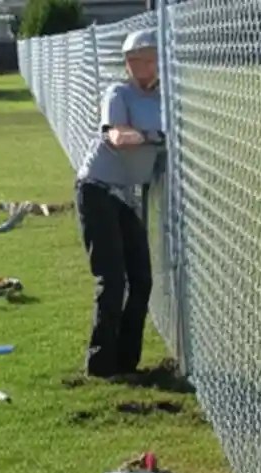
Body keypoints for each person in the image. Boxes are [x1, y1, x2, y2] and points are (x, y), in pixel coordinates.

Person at [73, 29, 166, 378]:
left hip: (129, 195)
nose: (143, 64)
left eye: (150, 57)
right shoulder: (118, 92)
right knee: (112, 280)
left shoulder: (164, 96)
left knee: (141, 279)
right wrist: (156, 137)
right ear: (127, 64)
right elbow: (117, 136)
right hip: (98, 190)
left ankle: (127, 363)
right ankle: (100, 366)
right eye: (136, 59)